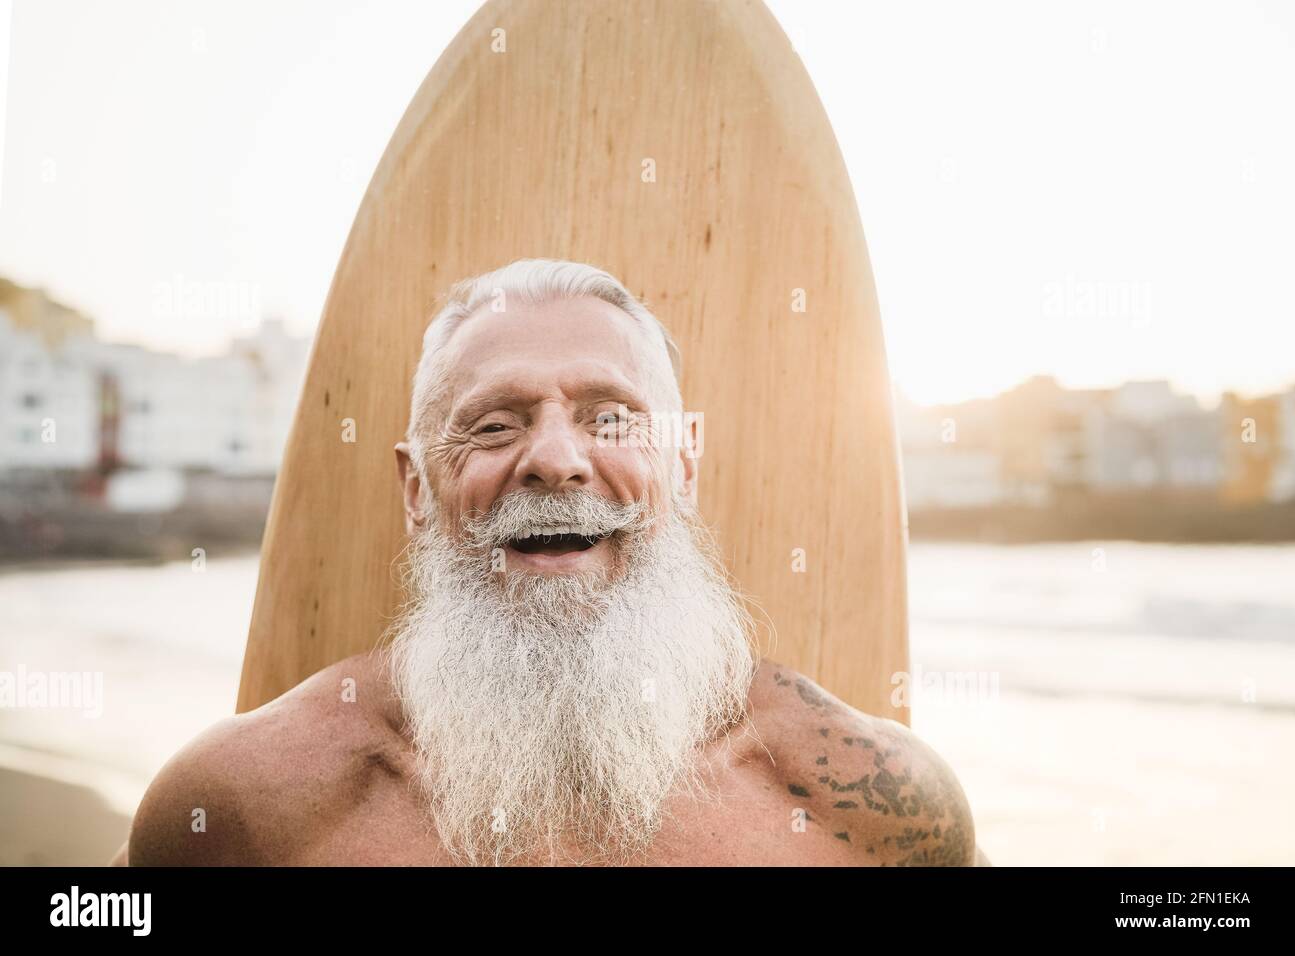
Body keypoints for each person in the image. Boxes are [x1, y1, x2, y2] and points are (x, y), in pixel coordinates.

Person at [122, 258, 989, 866]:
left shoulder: (864, 805)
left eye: (610, 418)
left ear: (682, 466)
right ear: (416, 486)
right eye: (494, 425)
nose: (555, 459)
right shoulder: (246, 809)